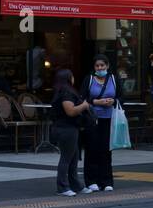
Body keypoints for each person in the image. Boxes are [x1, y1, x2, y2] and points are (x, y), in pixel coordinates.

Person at [50, 68, 91, 197]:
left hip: (68, 128)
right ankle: (62, 187)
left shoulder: (62, 91)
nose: (74, 78)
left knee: (73, 158)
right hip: (66, 128)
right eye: (72, 76)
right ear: (68, 78)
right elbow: (70, 111)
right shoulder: (66, 92)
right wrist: (84, 106)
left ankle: (76, 185)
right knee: (66, 158)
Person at [81, 55, 118, 193]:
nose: (100, 68)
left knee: (106, 151)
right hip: (92, 119)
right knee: (92, 150)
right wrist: (96, 102)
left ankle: (107, 181)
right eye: (97, 66)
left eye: (102, 65)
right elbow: (82, 98)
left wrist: (113, 102)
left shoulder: (114, 79)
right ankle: (91, 181)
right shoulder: (89, 79)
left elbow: (121, 96)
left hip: (109, 119)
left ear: (107, 66)